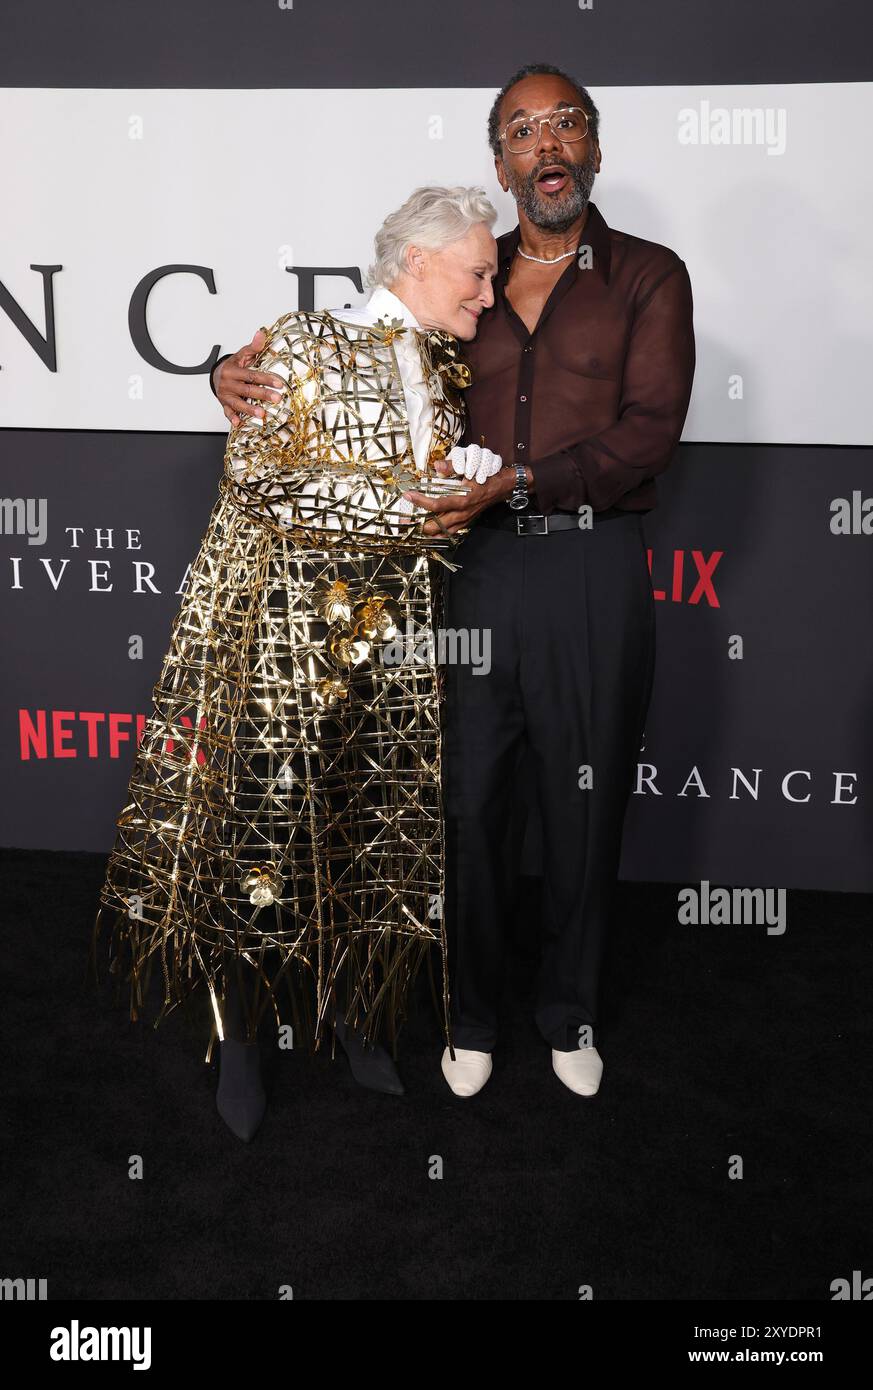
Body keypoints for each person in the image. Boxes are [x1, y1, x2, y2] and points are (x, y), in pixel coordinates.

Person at [93, 185, 501, 1141]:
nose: (487, 292)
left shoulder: (442, 366)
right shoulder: (305, 340)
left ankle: (355, 1015)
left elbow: (409, 475)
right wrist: (410, 510)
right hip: (289, 638)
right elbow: (261, 478)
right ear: (418, 262)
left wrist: (461, 483)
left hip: (394, 642)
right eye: (477, 272)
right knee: (264, 837)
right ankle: (238, 1038)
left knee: (373, 827)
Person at [402, 63, 696, 1099]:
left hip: (591, 566)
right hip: (474, 570)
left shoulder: (651, 276)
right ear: (500, 163)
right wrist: (236, 370)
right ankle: (471, 1014)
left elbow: (649, 436)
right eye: (524, 132)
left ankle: (568, 1009)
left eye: (566, 125)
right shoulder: (461, 279)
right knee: (469, 804)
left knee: (585, 802)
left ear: (597, 148)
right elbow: (361, 350)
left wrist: (522, 483)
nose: (548, 147)